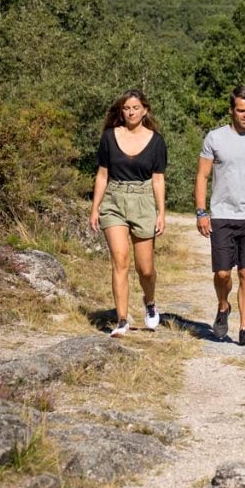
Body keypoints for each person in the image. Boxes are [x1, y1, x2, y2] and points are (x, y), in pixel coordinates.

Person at [194, 85, 245, 347]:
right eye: (241, 110)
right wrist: (201, 211)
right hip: (221, 214)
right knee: (222, 273)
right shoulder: (214, 138)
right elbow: (202, 176)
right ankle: (222, 306)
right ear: (231, 110)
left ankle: (244, 329)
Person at [89, 89, 167, 336]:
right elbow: (102, 175)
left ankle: (150, 301)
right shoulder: (109, 137)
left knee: (145, 269)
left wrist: (161, 213)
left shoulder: (156, 141)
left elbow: (158, 180)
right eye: (126, 108)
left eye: (135, 107)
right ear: (121, 111)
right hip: (114, 200)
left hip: (143, 201)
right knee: (120, 260)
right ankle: (122, 320)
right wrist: (95, 208)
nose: (131, 112)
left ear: (145, 110)